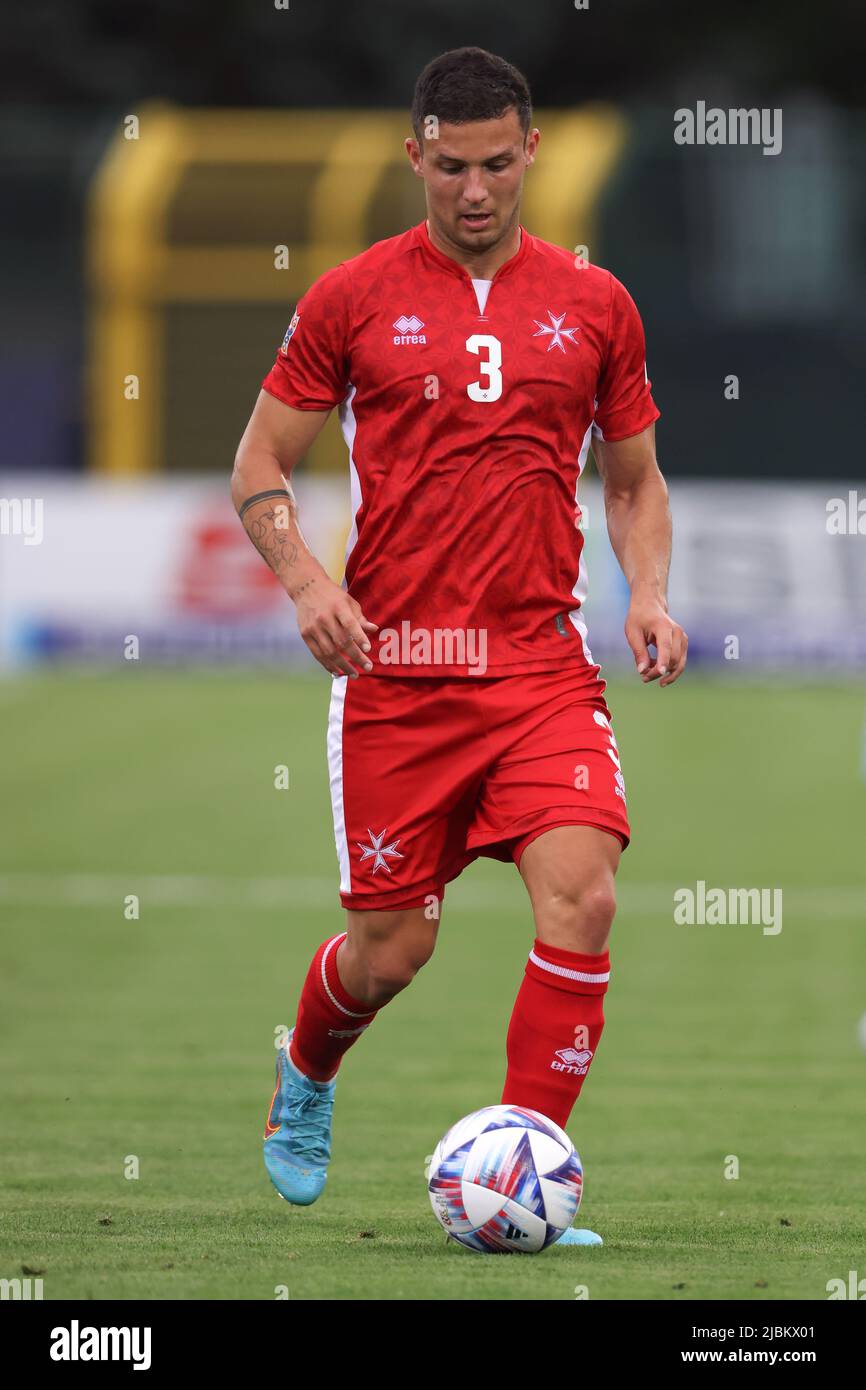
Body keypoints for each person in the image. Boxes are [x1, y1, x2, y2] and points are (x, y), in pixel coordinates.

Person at [232, 46, 687, 1247]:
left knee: (581, 897)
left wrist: (645, 593)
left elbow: (634, 484)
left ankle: (529, 1181)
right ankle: (309, 1068)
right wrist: (305, 581)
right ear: (414, 156)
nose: (473, 190)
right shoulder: (350, 298)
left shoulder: (595, 303)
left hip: (538, 669)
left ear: (530, 153)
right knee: (392, 951)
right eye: (449, 167)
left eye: (495, 165)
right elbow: (258, 465)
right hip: (394, 676)